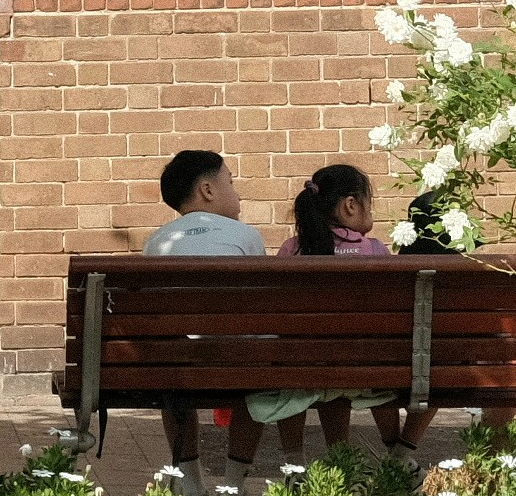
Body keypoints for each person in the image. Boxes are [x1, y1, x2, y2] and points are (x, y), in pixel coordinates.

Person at [245, 163, 426, 458]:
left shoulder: (292, 250)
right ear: (351, 205)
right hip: (364, 369)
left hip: (302, 369)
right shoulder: (375, 250)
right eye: (370, 202)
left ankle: (294, 461)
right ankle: (394, 453)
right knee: (352, 368)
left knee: (306, 367)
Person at [140, 147, 269, 472]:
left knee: (171, 373)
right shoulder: (247, 235)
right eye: (231, 182)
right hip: (241, 362)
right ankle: (234, 485)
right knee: (256, 381)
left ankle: (191, 484)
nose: (237, 193)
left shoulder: (157, 242)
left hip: (179, 366)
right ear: (208, 190)